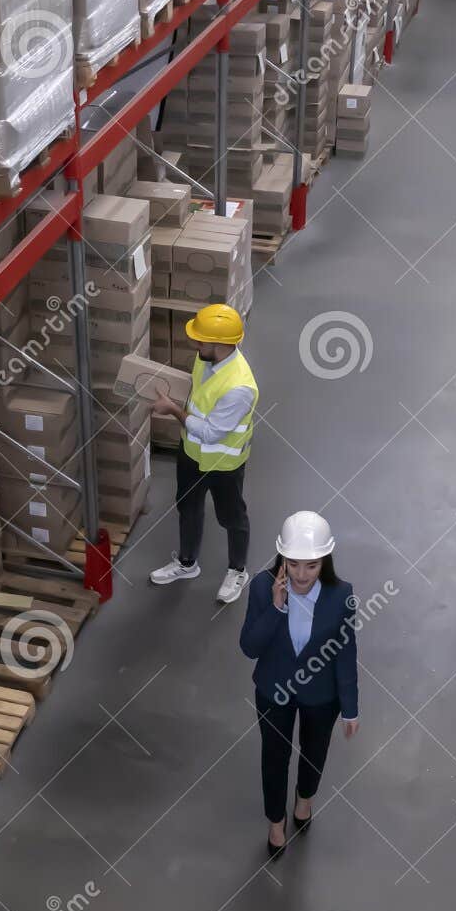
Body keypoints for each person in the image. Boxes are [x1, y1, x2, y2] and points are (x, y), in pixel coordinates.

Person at [238, 511, 360, 859]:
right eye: (294, 565)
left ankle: (304, 799)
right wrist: (276, 609)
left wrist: (350, 707)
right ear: (282, 559)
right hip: (273, 692)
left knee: (314, 753)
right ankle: (275, 823)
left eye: (312, 565)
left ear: (325, 561)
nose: (302, 575)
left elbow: (345, 653)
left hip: (321, 697)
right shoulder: (263, 587)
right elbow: (249, 648)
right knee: (274, 758)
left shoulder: (342, 595)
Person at [149, 303, 259, 604]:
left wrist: (172, 409)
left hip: (223, 464)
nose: (194, 343)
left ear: (220, 344)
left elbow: (212, 432)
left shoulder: (239, 387)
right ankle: (187, 563)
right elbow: (196, 396)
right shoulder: (205, 359)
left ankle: (237, 570)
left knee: (231, 517)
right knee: (188, 507)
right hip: (191, 454)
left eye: (201, 340)